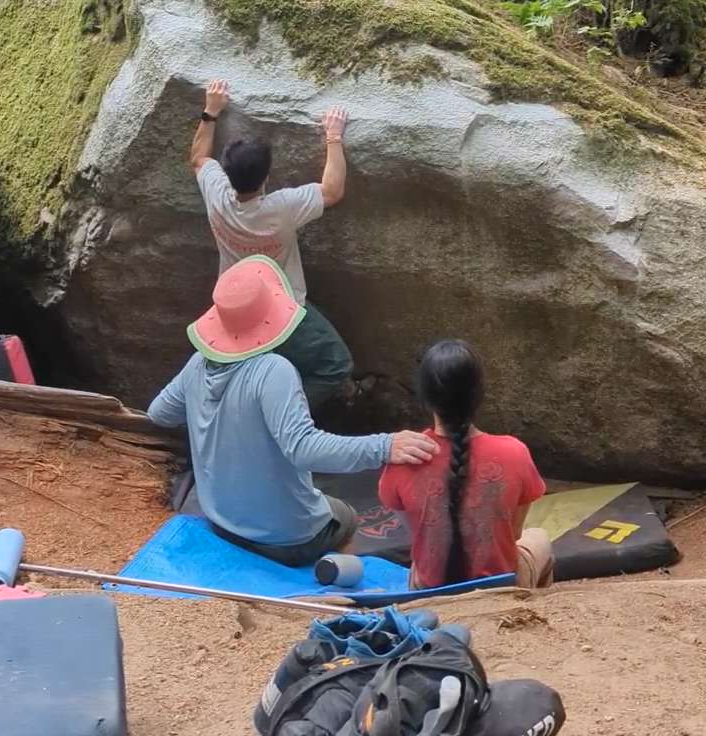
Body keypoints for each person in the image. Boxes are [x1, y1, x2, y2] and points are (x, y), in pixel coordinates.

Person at [148, 256, 437, 567]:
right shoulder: (274, 370)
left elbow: (159, 413)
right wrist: (385, 446)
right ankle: (338, 583)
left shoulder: (197, 365)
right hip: (285, 537)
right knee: (346, 517)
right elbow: (304, 449)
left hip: (220, 521)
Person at [190, 78, 353, 408]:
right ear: (266, 178)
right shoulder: (281, 208)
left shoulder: (216, 194)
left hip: (234, 310)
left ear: (227, 172)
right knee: (337, 366)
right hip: (285, 310)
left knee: (234, 369)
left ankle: (240, 408)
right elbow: (332, 191)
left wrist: (210, 112)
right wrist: (333, 137)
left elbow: (198, 158)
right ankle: (279, 412)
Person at [378, 339, 553, 590]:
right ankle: (533, 614)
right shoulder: (515, 452)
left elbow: (420, 535)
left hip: (428, 589)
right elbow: (514, 535)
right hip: (501, 586)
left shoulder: (402, 460)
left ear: (425, 397)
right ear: (479, 394)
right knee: (539, 537)